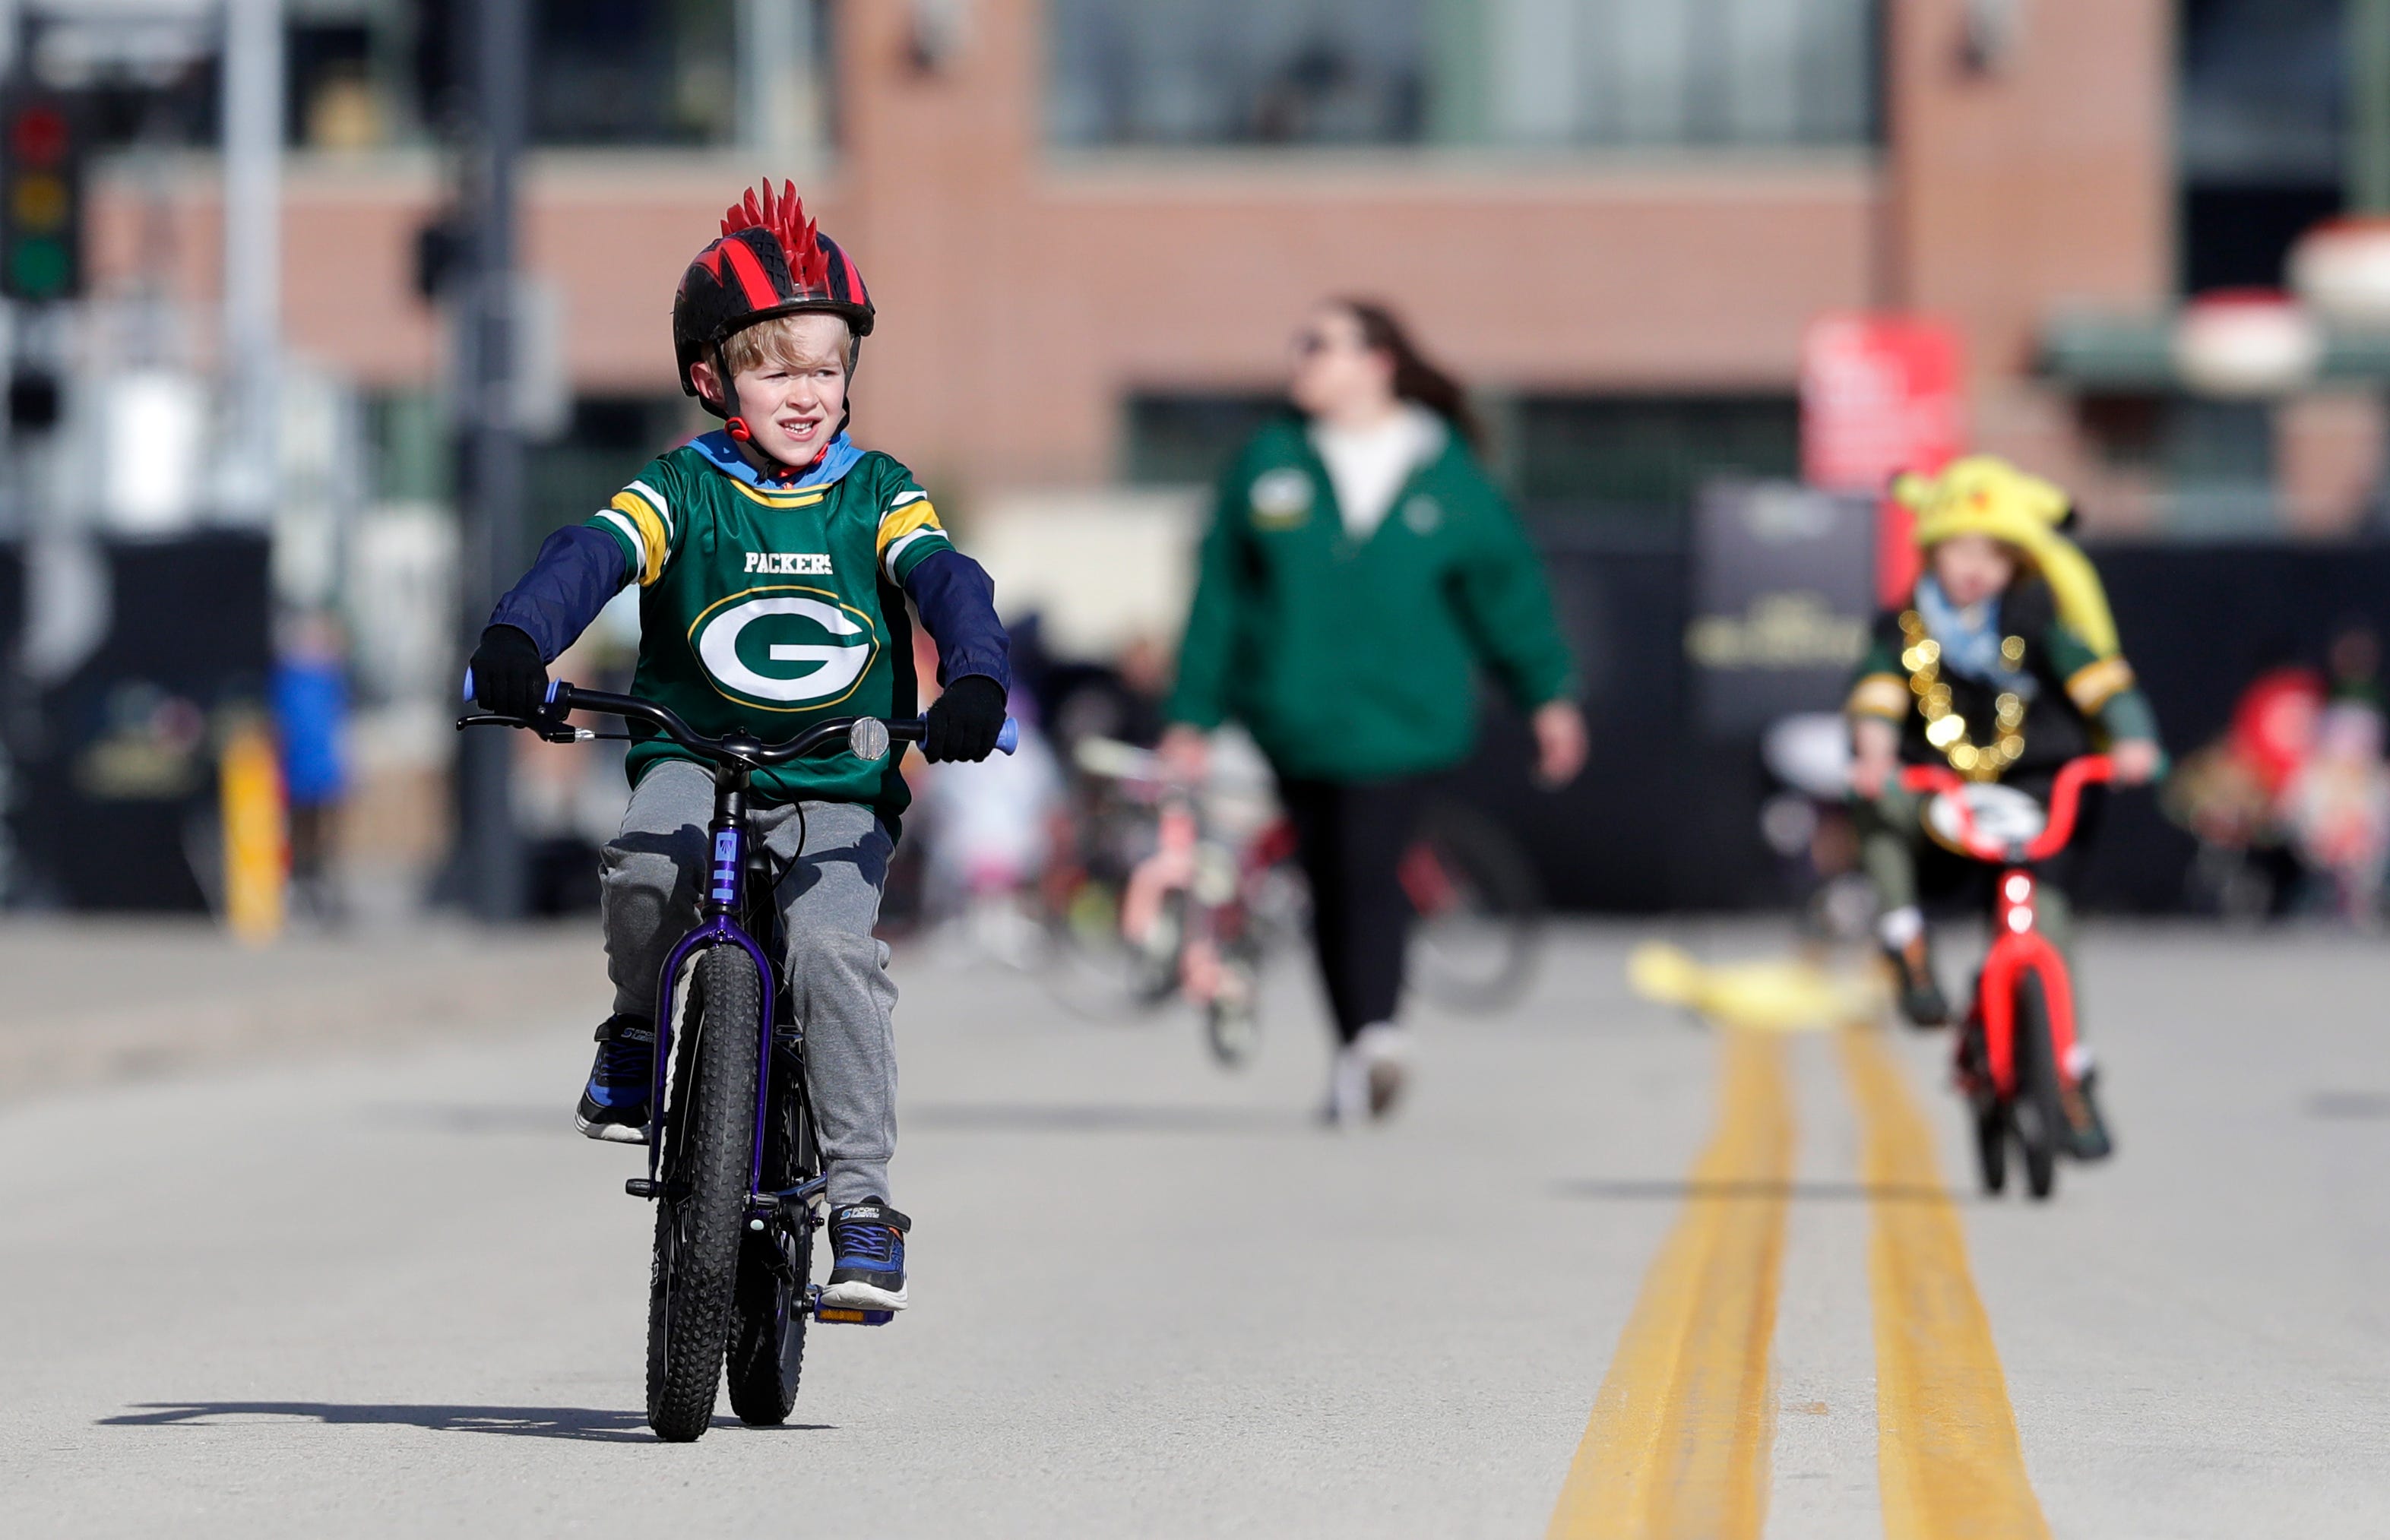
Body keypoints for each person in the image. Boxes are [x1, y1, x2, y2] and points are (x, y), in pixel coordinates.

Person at [467, 181, 1011, 1314]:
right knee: (647, 865)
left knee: (829, 957)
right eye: (775, 368)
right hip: (690, 751)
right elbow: (590, 555)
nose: (806, 393)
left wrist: (976, 672)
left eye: (824, 366)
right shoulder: (679, 488)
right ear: (712, 378)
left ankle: (863, 1206)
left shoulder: (878, 491)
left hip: (833, 773)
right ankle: (631, 1028)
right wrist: (521, 634)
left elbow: (945, 581)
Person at [1159, 299, 1586, 1125]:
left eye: (1320, 344)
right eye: (1298, 344)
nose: (1301, 360)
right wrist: (1191, 713)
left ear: (1378, 360)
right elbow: (1221, 598)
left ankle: (1379, 1033)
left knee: (1369, 863)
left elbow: (1509, 597)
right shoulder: (1269, 462)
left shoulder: (1446, 469)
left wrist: (1548, 695)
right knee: (1328, 878)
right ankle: (1357, 1047)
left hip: (1402, 719)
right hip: (1294, 715)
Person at [1846, 456, 2161, 1158]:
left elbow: (2104, 684)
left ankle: (2068, 1069)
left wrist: (2133, 739)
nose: (1974, 567)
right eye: (1960, 547)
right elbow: (1877, 695)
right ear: (1932, 549)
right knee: (1878, 812)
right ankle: (1906, 940)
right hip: (1944, 796)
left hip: (2031, 792)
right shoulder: (1906, 629)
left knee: (2044, 921)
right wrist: (1874, 756)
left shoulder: (2036, 620)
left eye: (1993, 552)